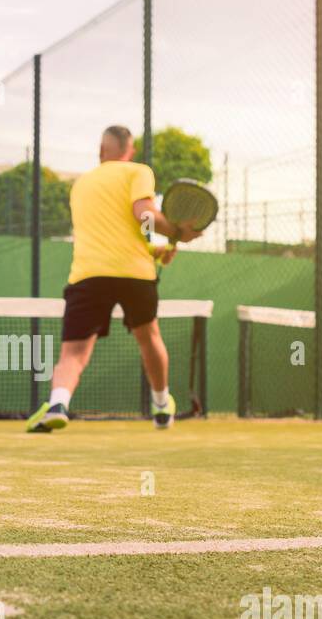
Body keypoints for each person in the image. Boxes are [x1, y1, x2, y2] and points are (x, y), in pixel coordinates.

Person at [26, 125, 200, 433]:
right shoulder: (138, 171)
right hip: (134, 274)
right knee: (149, 338)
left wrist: (154, 249)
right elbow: (143, 215)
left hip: (88, 274)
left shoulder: (80, 185)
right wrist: (175, 232)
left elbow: (112, 233)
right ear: (129, 150)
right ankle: (161, 406)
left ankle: (58, 404)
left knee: (74, 352)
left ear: (101, 151)